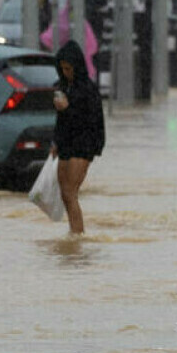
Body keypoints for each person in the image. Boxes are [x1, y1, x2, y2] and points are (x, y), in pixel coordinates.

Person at [49, 39, 105, 235]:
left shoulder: (88, 90)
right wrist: (55, 141)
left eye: (69, 68)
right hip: (65, 143)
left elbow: (90, 121)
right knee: (65, 194)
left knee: (70, 193)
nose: (66, 73)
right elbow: (60, 121)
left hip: (83, 145)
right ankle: (74, 232)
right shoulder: (63, 87)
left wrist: (68, 109)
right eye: (63, 69)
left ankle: (78, 235)